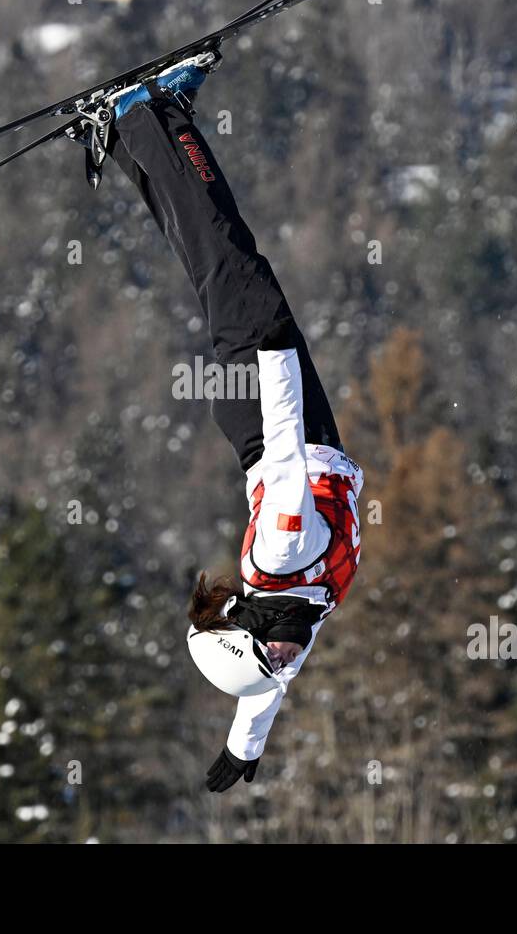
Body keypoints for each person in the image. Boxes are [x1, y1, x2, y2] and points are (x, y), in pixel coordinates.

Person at [105, 58, 364, 793]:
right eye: (277, 663)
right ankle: (139, 135)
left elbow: (285, 450)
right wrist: (246, 744)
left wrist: (275, 352)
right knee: (214, 265)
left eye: (270, 657)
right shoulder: (298, 612)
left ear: (250, 627)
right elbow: (273, 683)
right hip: (263, 416)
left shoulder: (284, 559)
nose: (285, 661)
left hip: (271, 403)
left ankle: (141, 118)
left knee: (227, 258)